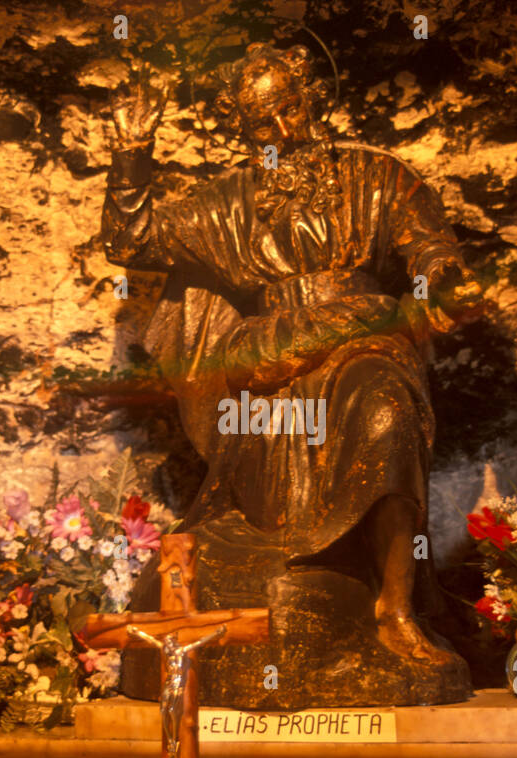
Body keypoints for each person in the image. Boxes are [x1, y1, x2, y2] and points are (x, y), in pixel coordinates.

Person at [101, 43, 485, 670]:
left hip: (362, 339)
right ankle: (304, 574)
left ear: (314, 97)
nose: (283, 129)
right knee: (259, 505)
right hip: (270, 360)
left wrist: (446, 279)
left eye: (290, 108)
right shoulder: (225, 201)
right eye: (263, 122)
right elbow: (130, 241)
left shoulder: (378, 175)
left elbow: (430, 248)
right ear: (245, 131)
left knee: (387, 413)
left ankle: (395, 611)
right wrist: (130, 158)